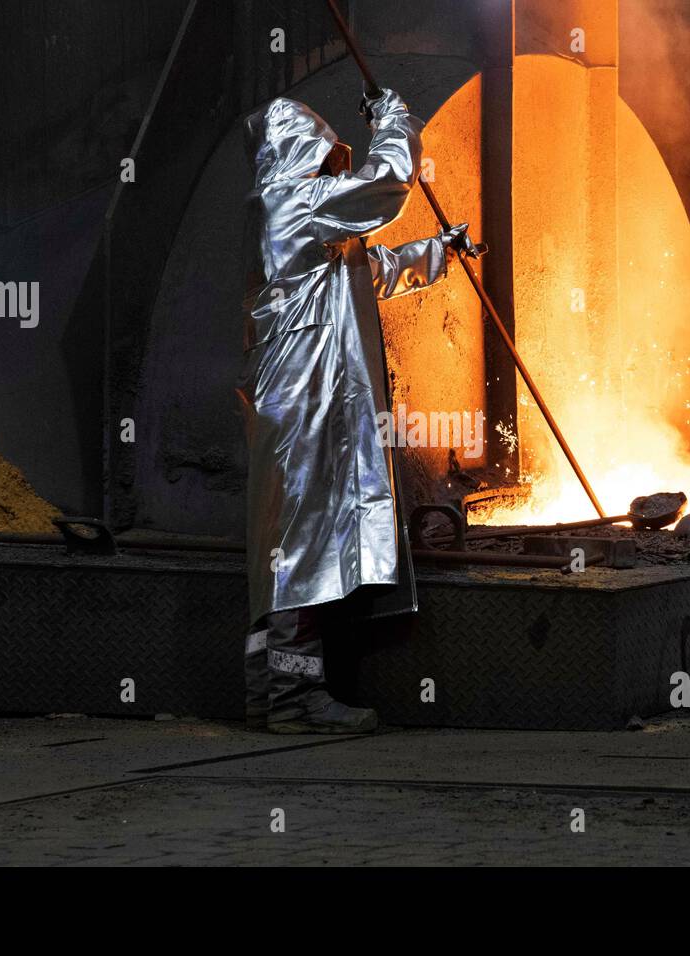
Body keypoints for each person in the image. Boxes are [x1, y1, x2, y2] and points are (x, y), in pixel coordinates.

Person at [237, 88, 482, 734]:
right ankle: (296, 701)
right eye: (323, 159)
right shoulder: (297, 202)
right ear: (298, 157)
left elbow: (364, 272)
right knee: (302, 548)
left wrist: (440, 253)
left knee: (288, 546)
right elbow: (388, 184)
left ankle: (266, 691)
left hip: (297, 403)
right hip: (305, 404)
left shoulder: (300, 219)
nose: (330, 170)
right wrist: (396, 119)